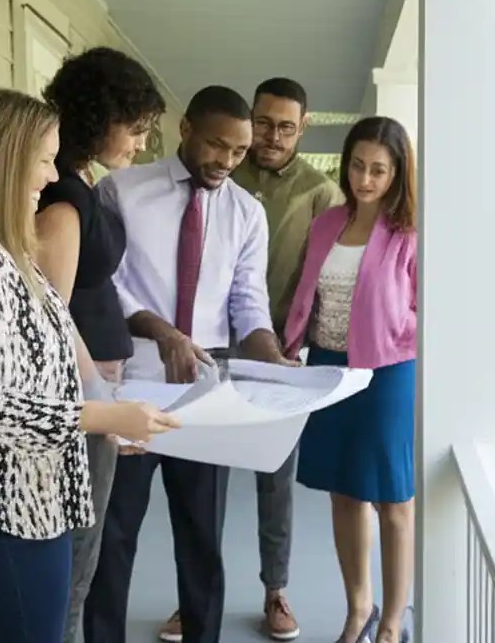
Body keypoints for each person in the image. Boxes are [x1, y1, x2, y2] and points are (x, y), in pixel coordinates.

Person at [0, 88, 179, 643]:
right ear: (2, 163)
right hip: (0, 510)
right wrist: (106, 420)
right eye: (44, 160)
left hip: (29, 502)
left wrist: (111, 408)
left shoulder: (7, 253)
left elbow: (56, 340)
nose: (52, 177)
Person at [84, 85, 299, 643]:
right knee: (115, 536)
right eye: (216, 145)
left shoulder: (247, 214)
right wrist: (165, 333)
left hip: (203, 397)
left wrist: (275, 362)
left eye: (238, 151)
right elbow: (103, 287)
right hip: (130, 390)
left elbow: (247, 303)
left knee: (202, 539)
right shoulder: (121, 191)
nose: (226, 161)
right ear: (184, 129)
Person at [155, 77, 343, 642]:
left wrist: (301, 349)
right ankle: (193, 601)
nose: (271, 136)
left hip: (275, 351)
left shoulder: (321, 193)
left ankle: (275, 590)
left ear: (303, 128)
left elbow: (328, 280)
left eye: (286, 127)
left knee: (273, 476)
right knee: (197, 475)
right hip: (205, 347)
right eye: (264, 123)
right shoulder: (219, 168)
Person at [34, 46, 167, 643]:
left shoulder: (79, 177)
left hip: (97, 391)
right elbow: (51, 319)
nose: (141, 144)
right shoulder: (62, 194)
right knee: (74, 570)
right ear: (98, 116)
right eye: (135, 129)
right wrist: (103, 403)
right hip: (81, 403)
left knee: (82, 563)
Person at [282, 116, 418, 643]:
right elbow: (307, 289)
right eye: (358, 166)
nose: (365, 178)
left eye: (379, 170)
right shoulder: (328, 223)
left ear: (397, 173)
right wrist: (293, 343)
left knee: (393, 499)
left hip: (386, 373)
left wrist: (398, 331)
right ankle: (358, 610)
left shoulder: (410, 232)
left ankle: (390, 626)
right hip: (327, 366)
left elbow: (426, 305)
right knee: (343, 493)